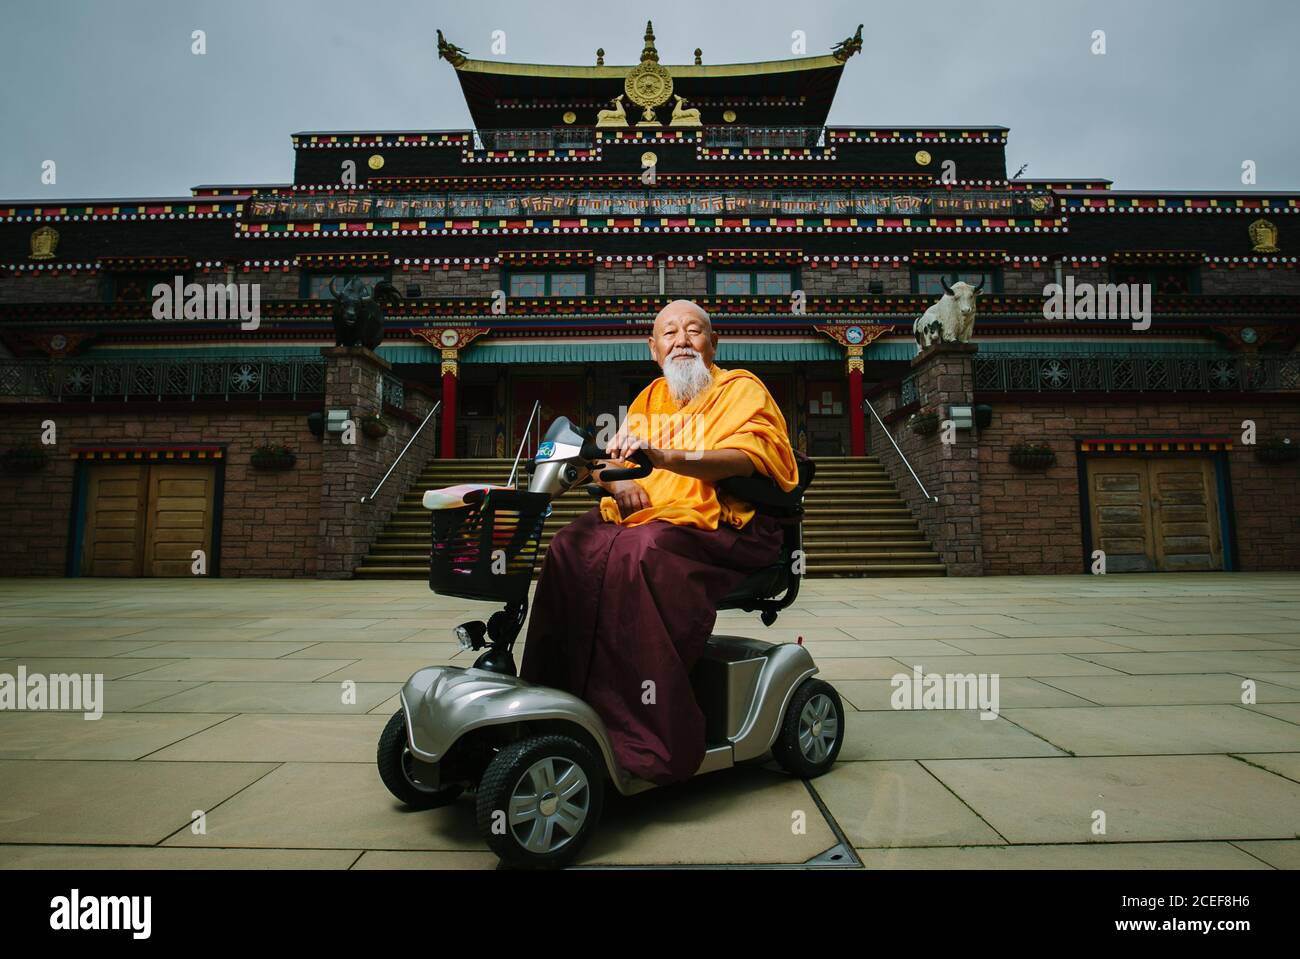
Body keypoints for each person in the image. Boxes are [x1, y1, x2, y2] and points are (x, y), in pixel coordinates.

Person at [518, 299, 800, 785]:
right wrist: (616, 482)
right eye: (669, 333)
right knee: (568, 546)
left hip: (719, 525)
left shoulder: (741, 388)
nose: (682, 341)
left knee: (639, 555)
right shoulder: (650, 397)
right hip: (645, 516)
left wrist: (667, 456)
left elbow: (744, 458)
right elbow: (613, 461)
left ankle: (645, 738)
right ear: (654, 348)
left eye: (694, 331)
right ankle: (553, 706)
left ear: (714, 343)